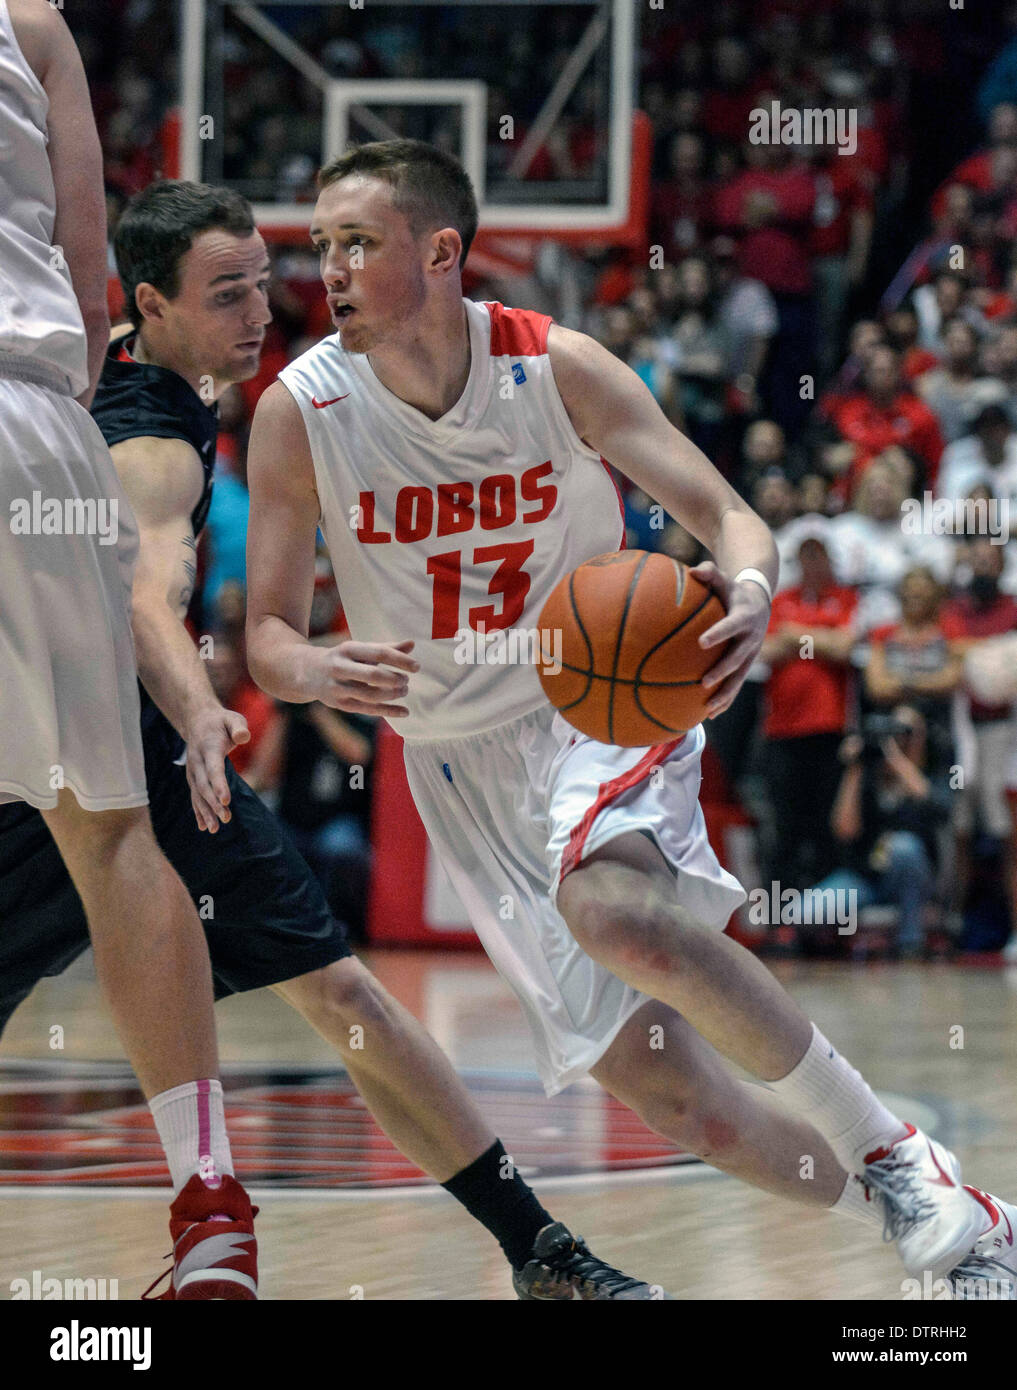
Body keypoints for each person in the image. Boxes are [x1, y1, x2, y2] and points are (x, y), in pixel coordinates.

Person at [244, 138, 1015, 1296]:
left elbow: (730, 517)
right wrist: (312, 668)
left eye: (357, 242)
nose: (331, 268)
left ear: (442, 251)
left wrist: (750, 593)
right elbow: (264, 634)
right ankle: (970, 1218)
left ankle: (894, 1151)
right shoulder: (300, 411)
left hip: (592, 697)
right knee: (689, 1108)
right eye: (322, 246)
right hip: (455, 768)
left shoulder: (557, 370)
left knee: (616, 911)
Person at [0, 177, 659, 1302]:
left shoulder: (115, 362)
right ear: (149, 305)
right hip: (78, 764)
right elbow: (142, 584)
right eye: (226, 295)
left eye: (264, 282)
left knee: (344, 996)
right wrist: (204, 704)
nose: (260, 312)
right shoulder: (150, 428)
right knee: (343, 1001)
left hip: (132, 756)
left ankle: (540, 1251)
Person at [0, 0, 256, 1300]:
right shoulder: (34, 21)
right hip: (37, 422)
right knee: (111, 834)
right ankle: (210, 1211)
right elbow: (90, 264)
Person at [819, 708, 952, 958]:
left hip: (917, 882)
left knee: (903, 847)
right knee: (804, 914)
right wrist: (854, 768)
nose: (899, 739)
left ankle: (910, 942)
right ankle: (842, 942)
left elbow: (936, 805)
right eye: (892, 730)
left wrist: (896, 758)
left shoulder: (935, 772)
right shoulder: (866, 774)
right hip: (866, 878)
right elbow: (844, 830)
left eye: (907, 732)